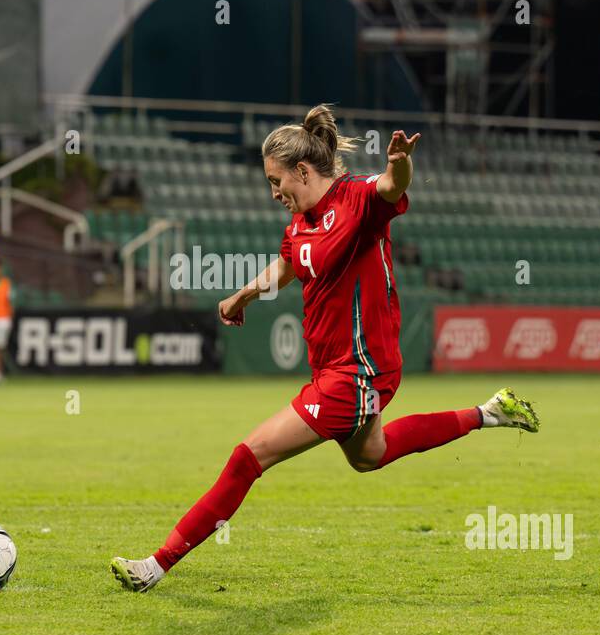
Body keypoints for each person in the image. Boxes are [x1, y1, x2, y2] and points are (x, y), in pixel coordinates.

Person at [111, 105, 540, 592]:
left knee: (248, 457)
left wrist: (400, 162)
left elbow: (392, 186)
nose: (274, 192)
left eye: (277, 181)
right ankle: (490, 413)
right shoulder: (299, 225)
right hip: (337, 371)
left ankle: (156, 565)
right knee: (369, 456)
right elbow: (288, 265)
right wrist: (244, 294)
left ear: (302, 170)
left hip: (359, 372)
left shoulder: (355, 199)